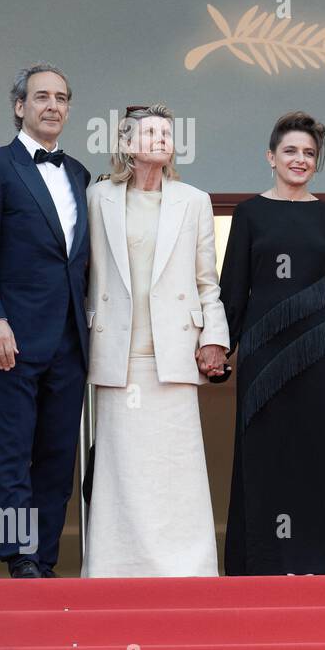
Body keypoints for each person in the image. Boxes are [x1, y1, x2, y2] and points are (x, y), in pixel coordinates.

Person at [219, 111, 325, 575]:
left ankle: (318, 562)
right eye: (291, 151)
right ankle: (266, 562)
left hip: (321, 358)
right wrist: (219, 350)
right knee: (266, 456)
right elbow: (232, 290)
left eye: (309, 153)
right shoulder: (248, 213)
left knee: (317, 456)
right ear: (271, 157)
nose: (300, 159)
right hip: (262, 358)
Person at [83, 104, 227, 577]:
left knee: (175, 472)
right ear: (126, 144)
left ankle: (189, 570)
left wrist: (215, 338)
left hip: (174, 354)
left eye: (167, 132)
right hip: (117, 356)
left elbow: (208, 279)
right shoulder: (96, 197)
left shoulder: (194, 199)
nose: (162, 139)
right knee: (121, 474)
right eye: (150, 132)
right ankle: (114, 569)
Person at [0, 63, 90, 578]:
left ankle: (47, 557)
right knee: (13, 453)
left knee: (57, 459)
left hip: (69, 341)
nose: (52, 105)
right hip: (9, 337)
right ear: (20, 106)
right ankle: (20, 558)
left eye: (61, 97)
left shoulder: (78, 173)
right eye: (41, 96)